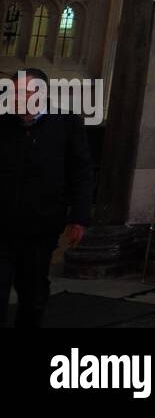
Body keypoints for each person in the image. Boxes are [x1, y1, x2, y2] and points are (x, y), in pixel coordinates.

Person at [0, 68, 94, 328]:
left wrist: (79, 217)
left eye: (22, 92)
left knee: (32, 291)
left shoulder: (66, 123)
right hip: (3, 224)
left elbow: (81, 172)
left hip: (41, 226)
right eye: (13, 92)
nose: (15, 98)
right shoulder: (4, 124)